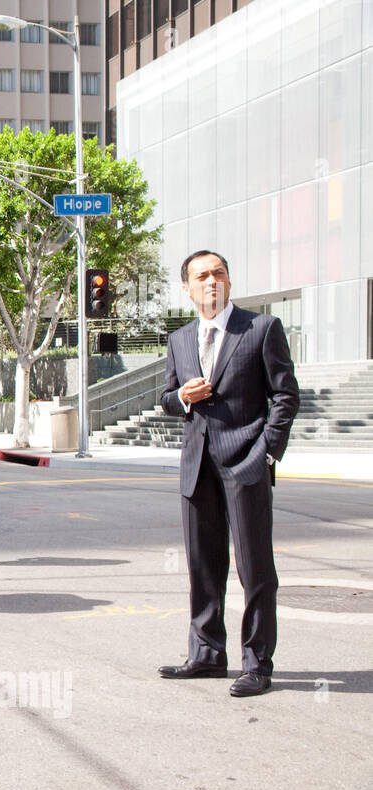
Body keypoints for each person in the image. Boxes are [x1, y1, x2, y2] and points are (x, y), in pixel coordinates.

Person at [158, 250, 299, 697]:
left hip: (246, 465)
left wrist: (266, 455)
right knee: (203, 566)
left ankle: (257, 664)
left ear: (229, 282)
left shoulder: (261, 329)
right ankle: (206, 655)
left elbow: (285, 397)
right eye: (201, 276)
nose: (211, 281)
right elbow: (165, 397)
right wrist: (181, 395)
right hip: (196, 467)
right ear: (188, 288)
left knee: (255, 570)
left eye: (218, 273)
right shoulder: (180, 339)